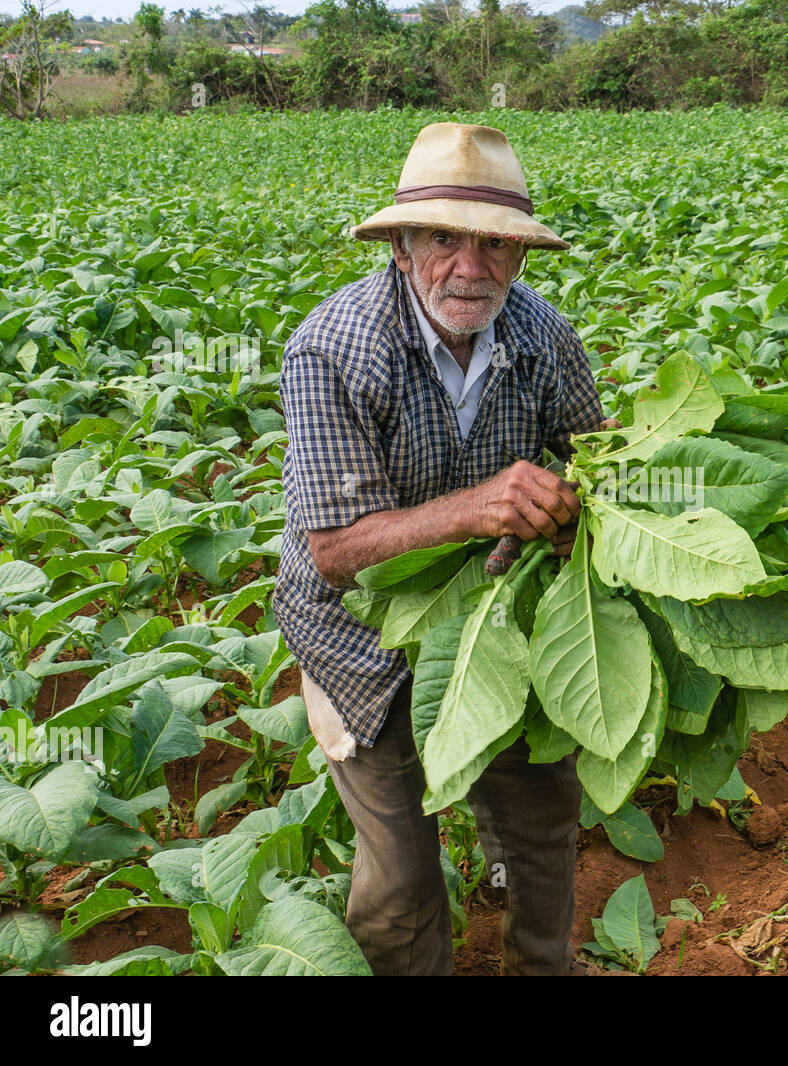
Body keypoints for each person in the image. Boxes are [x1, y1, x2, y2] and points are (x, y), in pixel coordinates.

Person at [272, 122, 611, 976]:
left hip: (497, 618)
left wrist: (578, 507)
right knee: (402, 882)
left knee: (540, 826)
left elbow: (598, 460)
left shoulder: (542, 337)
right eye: (443, 237)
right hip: (362, 636)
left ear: (522, 256)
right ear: (399, 246)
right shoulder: (336, 349)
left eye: (496, 243)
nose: (472, 265)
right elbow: (336, 552)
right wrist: (478, 508)